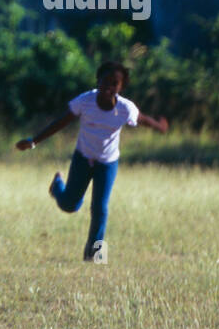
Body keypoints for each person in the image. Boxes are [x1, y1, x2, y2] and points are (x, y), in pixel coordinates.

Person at [16, 60, 168, 260]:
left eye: (114, 83)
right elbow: (60, 122)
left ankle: (95, 255)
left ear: (121, 87)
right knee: (70, 205)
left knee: (100, 208)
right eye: (105, 82)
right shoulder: (85, 101)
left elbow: (143, 120)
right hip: (83, 158)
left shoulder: (125, 108)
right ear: (98, 80)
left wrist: (159, 126)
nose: (108, 87)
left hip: (107, 163)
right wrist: (34, 141)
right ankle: (57, 187)